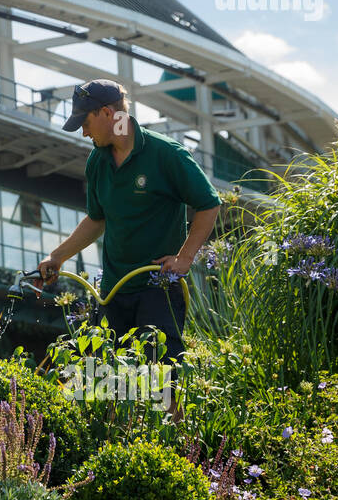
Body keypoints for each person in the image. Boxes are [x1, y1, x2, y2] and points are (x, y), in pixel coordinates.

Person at [36, 79, 221, 424]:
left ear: (107, 113)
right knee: (105, 380)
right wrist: (57, 256)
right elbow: (96, 219)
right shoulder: (97, 162)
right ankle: (114, 451)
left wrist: (184, 258)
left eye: (85, 123)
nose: (83, 133)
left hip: (157, 287)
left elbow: (208, 204)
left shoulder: (166, 155)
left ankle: (177, 454)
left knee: (162, 382)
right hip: (113, 292)